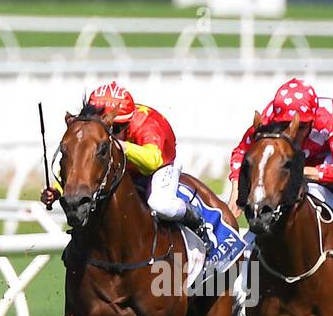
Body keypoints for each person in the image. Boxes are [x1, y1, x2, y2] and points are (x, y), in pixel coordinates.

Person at [41, 81, 211, 248]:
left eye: (116, 128)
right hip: (121, 165)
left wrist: (120, 146)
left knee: (161, 204)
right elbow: (84, 169)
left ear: (128, 122)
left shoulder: (146, 124)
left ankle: (195, 220)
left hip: (161, 163)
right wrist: (57, 189)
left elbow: (152, 162)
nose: (109, 132)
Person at [227, 78, 333, 253]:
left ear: (313, 120)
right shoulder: (268, 119)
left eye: (300, 127)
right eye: (285, 126)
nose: (293, 134)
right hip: (285, 164)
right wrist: (236, 190)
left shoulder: (332, 115)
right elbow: (242, 151)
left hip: (323, 162)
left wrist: (300, 171)